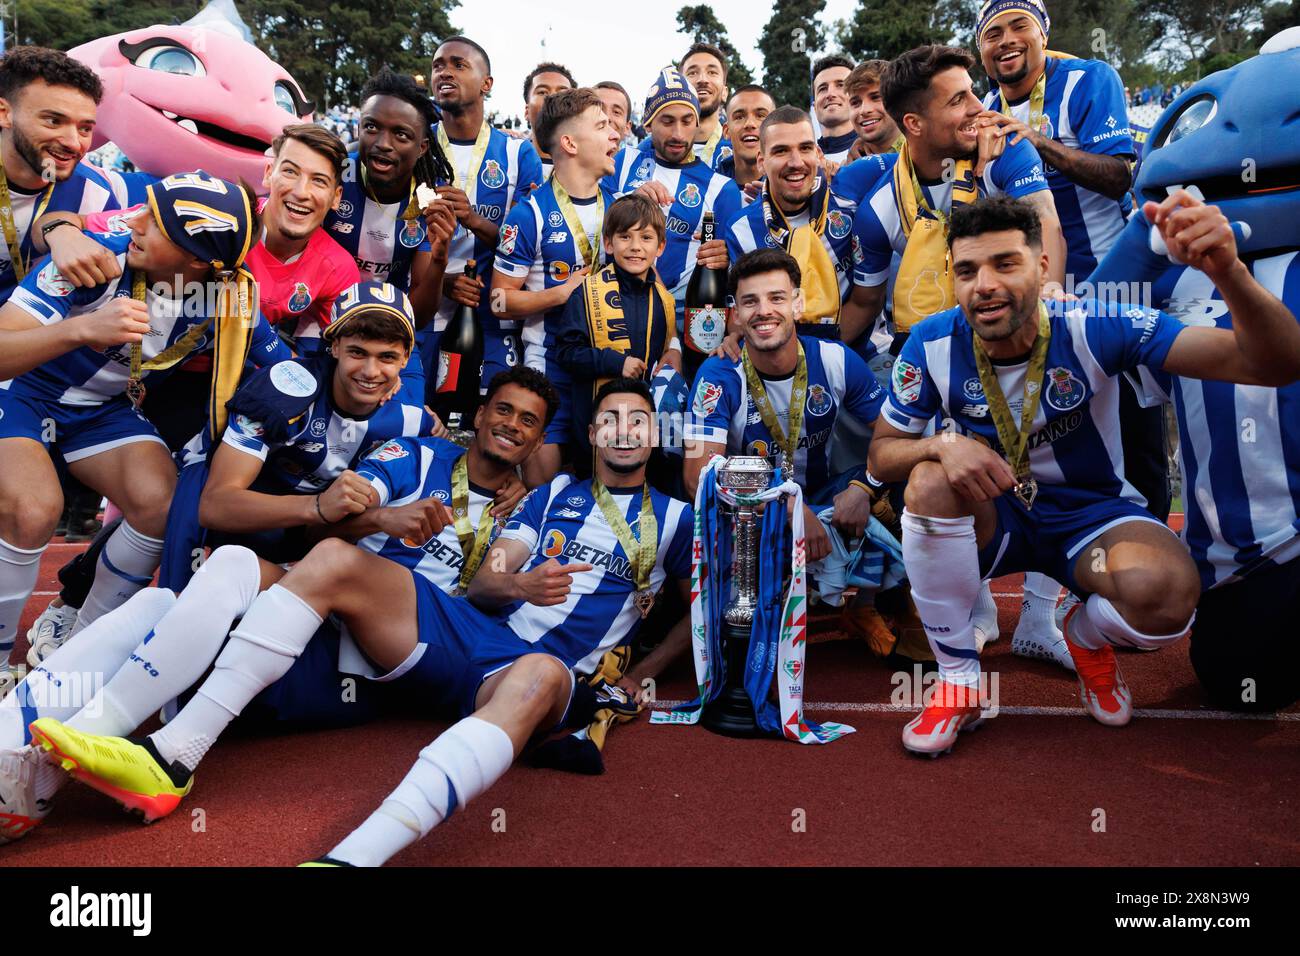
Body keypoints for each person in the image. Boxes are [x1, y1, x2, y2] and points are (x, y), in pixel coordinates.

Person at [26, 378, 693, 870]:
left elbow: (706, 604)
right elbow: (486, 575)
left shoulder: (666, 516)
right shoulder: (531, 490)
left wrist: (639, 675)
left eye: (638, 420)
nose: (625, 430)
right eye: (611, 418)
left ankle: (348, 857)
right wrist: (399, 526)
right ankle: (83, 754)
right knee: (195, 586)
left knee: (532, 671)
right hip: (390, 625)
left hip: (448, 656)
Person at [865, 194, 1300, 756]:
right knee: (926, 481)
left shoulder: (1096, 324)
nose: (985, 285)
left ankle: (1085, 635)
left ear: (1043, 267)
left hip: (1089, 520)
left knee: (1170, 595)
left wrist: (1227, 270)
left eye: (1005, 263)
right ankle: (959, 681)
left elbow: (1274, 363)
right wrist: (945, 444)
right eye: (967, 271)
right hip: (994, 517)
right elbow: (880, 457)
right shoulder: (930, 342)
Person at [0, 172, 286, 696]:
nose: (134, 220)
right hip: (20, 392)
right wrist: (84, 328)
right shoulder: (95, 259)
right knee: (33, 509)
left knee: (162, 505)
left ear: (196, 259)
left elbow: (281, 371)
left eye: (155, 221)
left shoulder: (230, 297)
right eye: (144, 209)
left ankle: (81, 653)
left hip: (98, 410)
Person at [849, 45, 1066, 352]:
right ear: (914, 124)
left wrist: (1048, 308)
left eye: (972, 92)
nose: (979, 107)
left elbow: (1047, 224)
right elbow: (864, 303)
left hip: (1014, 330)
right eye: (958, 100)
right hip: (931, 349)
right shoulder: (880, 206)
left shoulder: (1007, 149)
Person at [492, 87, 621, 486]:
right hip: (549, 375)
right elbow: (498, 300)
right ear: (568, 143)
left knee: (604, 496)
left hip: (607, 372)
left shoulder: (619, 209)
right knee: (539, 495)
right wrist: (561, 294)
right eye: (601, 126)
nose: (615, 134)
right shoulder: (529, 213)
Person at [428, 36, 544, 404]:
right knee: (430, 418)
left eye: (458, 65)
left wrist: (474, 220)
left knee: (486, 417)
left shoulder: (516, 152)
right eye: (438, 65)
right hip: (427, 309)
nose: (445, 71)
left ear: (486, 84)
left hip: (492, 318)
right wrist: (441, 281)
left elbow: (526, 243)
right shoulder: (416, 143)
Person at [604, 68, 741, 344]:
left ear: (697, 122)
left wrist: (726, 258)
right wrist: (628, 202)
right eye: (667, 121)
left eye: (687, 120)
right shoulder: (621, 163)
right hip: (616, 311)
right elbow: (593, 223)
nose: (678, 133)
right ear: (648, 122)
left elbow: (730, 271)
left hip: (685, 322)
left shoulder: (721, 188)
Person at [324, 68, 457, 337]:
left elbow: (418, 317)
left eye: (401, 134)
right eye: (371, 127)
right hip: (319, 323)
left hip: (388, 334)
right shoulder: (334, 172)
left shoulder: (428, 197)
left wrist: (440, 260)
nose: (384, 143)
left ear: (422, 147)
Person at [722, 107, 863, 354]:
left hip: (856, 350)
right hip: (777, 356)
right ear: (762, 162)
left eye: (805, 148)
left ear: (819, 154)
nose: (796, 162)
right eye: (781, 151)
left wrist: (825, 358)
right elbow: (746, 306)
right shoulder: (741, 229)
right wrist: (734, 334)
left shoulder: (852, 208)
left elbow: (867, 299)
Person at [555, 194, 678, 471]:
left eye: (646, 238)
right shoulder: (587, 292)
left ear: (660, 247)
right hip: (593, 425)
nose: (635, 247)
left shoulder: (664, 300)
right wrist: (616, 362)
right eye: (625, 237)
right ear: (609, 244)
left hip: (641, 426)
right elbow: (566, 353)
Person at [0, 47, 124, 306]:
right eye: (53, 121)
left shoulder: (96, 194)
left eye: (85, 128)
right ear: (4, 114)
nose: (73, 143)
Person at [677, 42, 733, 170]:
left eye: (712, 72)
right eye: (692, 73)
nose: (702, 79)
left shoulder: (740, 152)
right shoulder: (651, 149)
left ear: (724, 93)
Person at [523, 62, 577, 180]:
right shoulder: (508, 159)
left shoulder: (591, 166)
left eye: (562, 92)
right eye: (542, 92)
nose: (553, 98)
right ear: (527, 111)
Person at [718, 85, 775, 197]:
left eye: (760, 116)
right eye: (739, 117)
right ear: (726, 131)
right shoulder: (709, 189)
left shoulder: (794, 191)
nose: (749, 124)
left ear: (776, 128)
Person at [845, 60, 903, 161]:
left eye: (876, 97)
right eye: (855, 103)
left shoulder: (928, 153)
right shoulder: (847, 169)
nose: (864, 110)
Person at [812, 54, 858, 164]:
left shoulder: (879, 150)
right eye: (823, 89)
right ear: (814, 107)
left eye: (841, 85)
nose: (830, 94)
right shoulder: (804, 162)